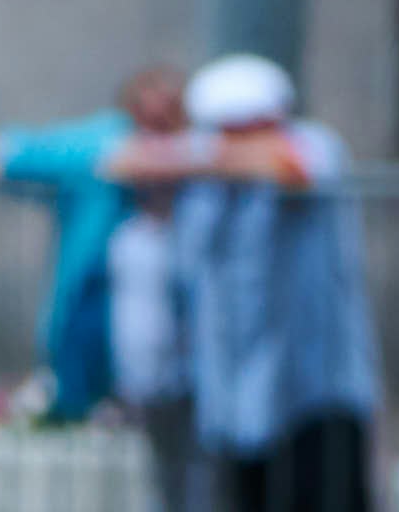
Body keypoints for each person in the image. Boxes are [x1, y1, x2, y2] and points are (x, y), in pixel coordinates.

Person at [120, 55, 374, 512]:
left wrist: (189, 155)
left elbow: (289, 165)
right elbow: (124, 160)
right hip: (232, 398)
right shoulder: (204, 174)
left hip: (316, 394)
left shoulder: (314, 145)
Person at [0, 62, 189, 451]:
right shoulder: (101, 150)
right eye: (148, 119)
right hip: (89, 328)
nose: (156, 135)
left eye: (168, 119)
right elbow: (15, 154)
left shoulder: (197, 164)